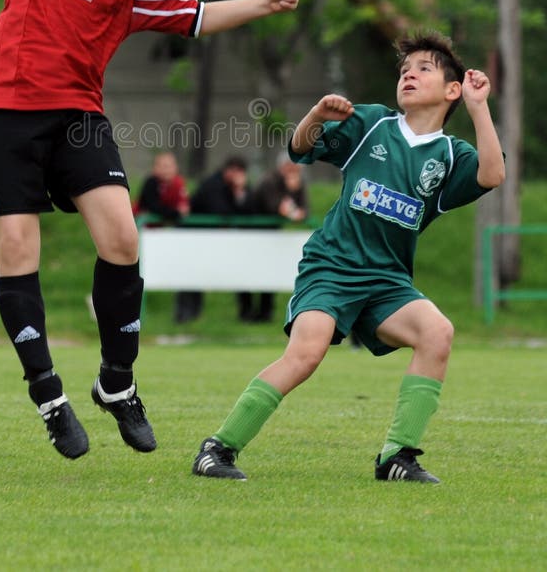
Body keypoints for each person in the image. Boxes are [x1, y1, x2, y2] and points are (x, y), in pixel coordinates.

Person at [0, 0, 299, 460]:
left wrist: (263, 4)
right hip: (7, 117)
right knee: (18, 251)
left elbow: (198, 14)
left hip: (79, 119)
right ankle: (48, 395)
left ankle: (116, 382)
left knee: (123, 239)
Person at [192, 31, 505, 483]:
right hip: (332, 267)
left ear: (452, 89)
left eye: (423, 69)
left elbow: (493, 174)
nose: (409, 75)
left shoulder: (451, 156)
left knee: (437, 332)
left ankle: (397, 456)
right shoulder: (374, 123)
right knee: (307, 353)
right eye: (404, 70)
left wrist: (479, 107)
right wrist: (316, 115)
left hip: (386, 280)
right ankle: (217, 448)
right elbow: (299, 147)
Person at [175, 156, 255, 323]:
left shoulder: (241, 189)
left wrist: (239, 192)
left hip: (216, 241)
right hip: (194, 238)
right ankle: (186, 315)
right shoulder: (212, 184)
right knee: (190, 277)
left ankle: (246, 314)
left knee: (241, 273)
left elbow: (251, 210)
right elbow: (221, 212)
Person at [240, 152, 310, 323]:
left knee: (269, 272)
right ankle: (246, 312)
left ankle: (265, 313)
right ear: (284, 167)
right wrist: (292, 192)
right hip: (251, 233)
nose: (295, 172)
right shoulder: (268, 181)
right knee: (246, 274)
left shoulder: (297, 183)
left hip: (271, 235)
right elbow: (277, 207)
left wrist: (295, 196)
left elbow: (304, 210)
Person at [133, 151, 190, 223]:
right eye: (161, 166)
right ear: (154, 168)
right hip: (141, 223)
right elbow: (153, 207)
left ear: (176, 168)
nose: (166, 170)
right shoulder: (151, 183)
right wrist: (176, 213)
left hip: (161, 225)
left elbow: (184, 206)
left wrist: (181, 210)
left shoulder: (179, 183)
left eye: (168, 166)